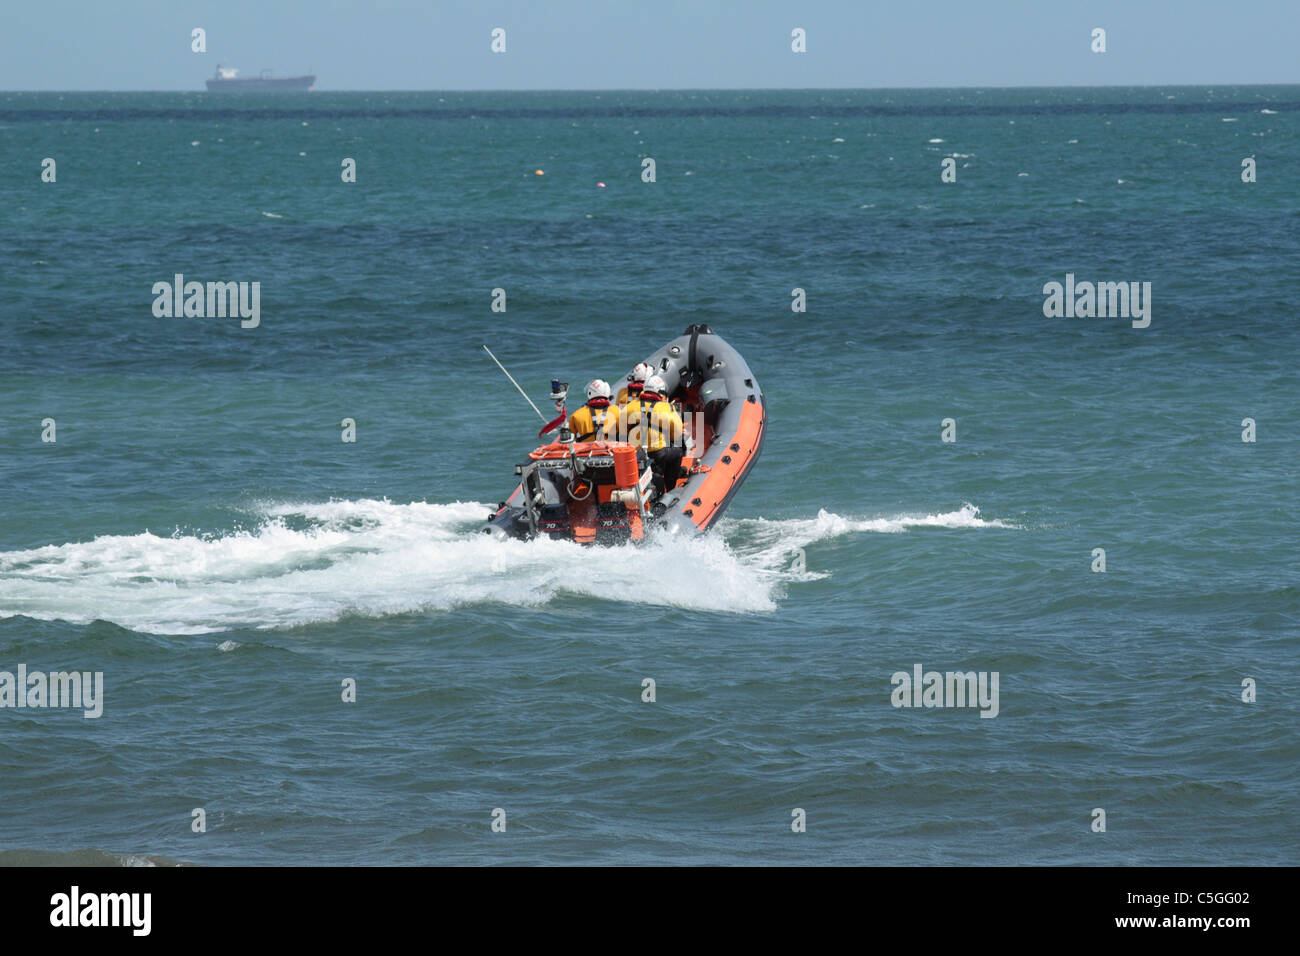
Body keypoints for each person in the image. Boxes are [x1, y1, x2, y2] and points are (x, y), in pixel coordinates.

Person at [619, 374, 685, 494]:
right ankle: (670, 488)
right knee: (678, 452)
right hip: (658, 452)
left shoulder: (631, 406)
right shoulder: (666, 407)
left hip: (636, 453)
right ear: (660, 391)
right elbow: (678, 430)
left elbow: (621, 427)